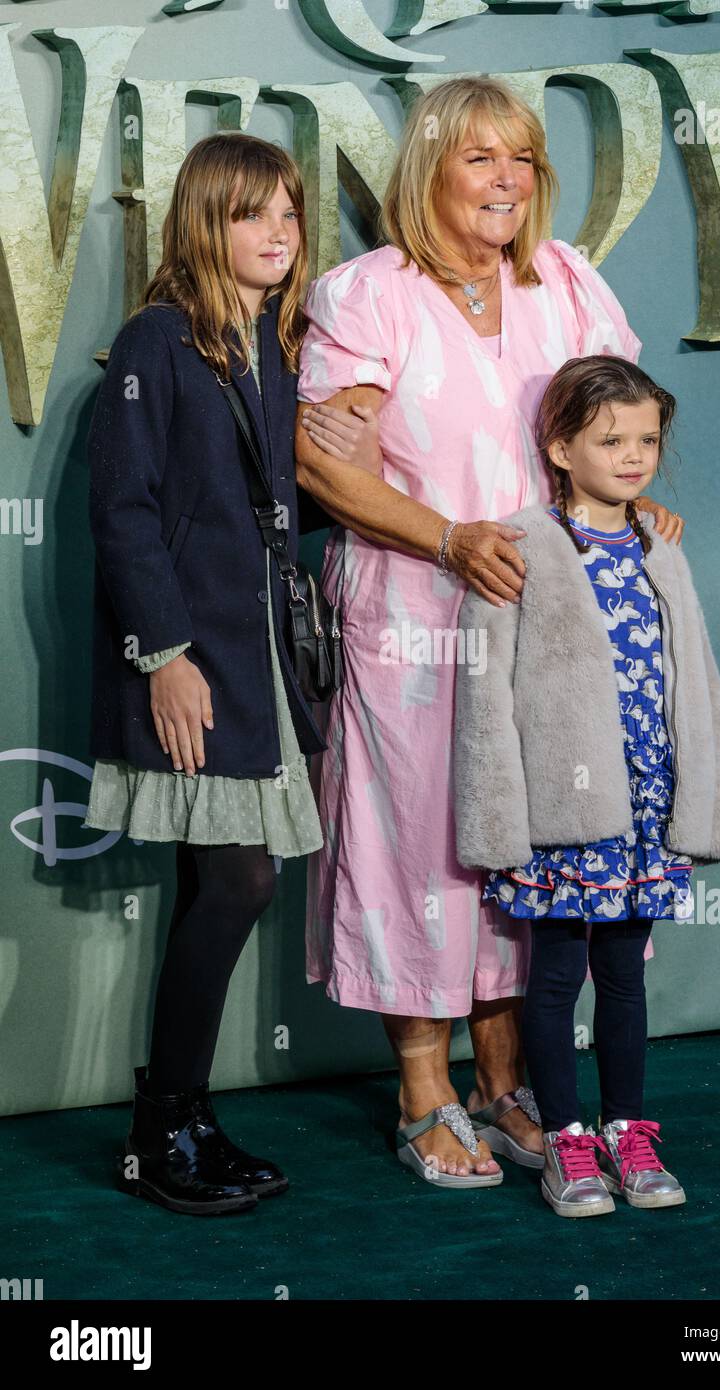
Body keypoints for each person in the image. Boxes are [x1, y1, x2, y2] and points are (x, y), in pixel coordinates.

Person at [294, 76, 685, 1187]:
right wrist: (449, 537)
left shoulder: (565, 282)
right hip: (416, 613)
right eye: (478, 157)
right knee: (415, 849)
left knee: (524, 840)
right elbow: (325, 459)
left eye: (519, 156)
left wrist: (628, 504)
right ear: (428, 171)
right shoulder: (367, 294)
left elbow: (617, 417)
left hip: (548, 620)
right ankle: (423, 1092)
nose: (506, 178)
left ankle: (504, 1081)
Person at [83, 133, 373, 1215]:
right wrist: (164, 655)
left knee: (221, 881)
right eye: (253, 214)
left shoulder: (265, 344)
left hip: (258, 660)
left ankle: (182, 1120)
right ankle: (164, 1129)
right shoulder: (157, 339)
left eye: (290, 215)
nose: (279, 234)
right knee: (240, 879)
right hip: (196, 660)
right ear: (206, 223)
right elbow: (124, 514)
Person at [452, 354, 720, 1216]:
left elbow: (694, 681)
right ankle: (568, 1144)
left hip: (647, 807)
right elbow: (484, 696)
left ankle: (629, 1131)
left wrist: (701, 793)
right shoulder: (518, 546)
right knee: (555, 976)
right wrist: (499, 817)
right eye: (609, 438)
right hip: (563, 813)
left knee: (625, 975)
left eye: (647, 439)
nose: (632, 455)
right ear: (559, 446)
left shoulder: (662, 548)